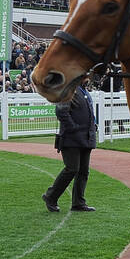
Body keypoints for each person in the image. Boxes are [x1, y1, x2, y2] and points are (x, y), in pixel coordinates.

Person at [44, 74, 97, 212]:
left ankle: (78, 202)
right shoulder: (69, 90)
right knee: (72, 169)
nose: (88, 78)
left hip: (86, 137)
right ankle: (50, 196)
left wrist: (93, 126)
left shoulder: (84, 91)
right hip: (71, 138)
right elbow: (61, 112)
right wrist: (73, 127)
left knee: (83, 171)